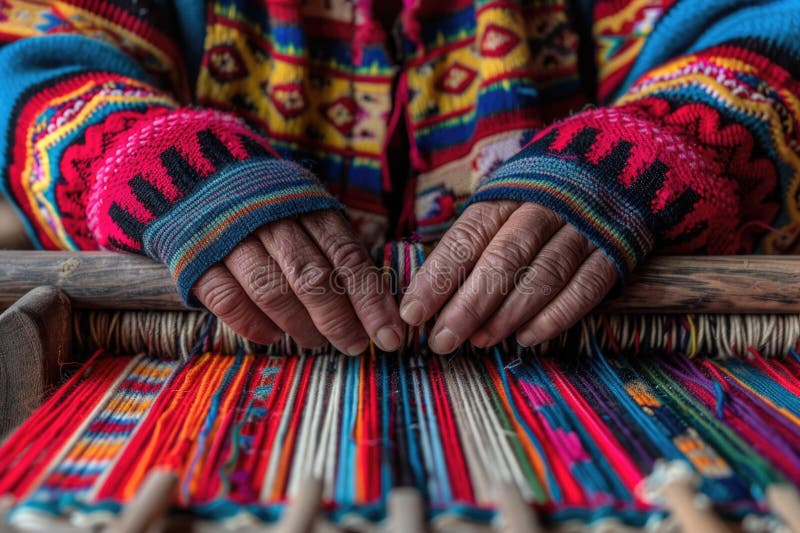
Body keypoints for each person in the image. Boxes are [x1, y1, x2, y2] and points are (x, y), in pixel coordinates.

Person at [0, 0, 798, 356]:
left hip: (611, 390)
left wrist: (653, 155)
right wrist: (155, 160)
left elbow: (768, 27)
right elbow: (35, 55)